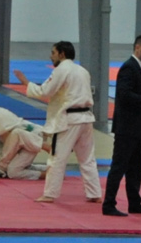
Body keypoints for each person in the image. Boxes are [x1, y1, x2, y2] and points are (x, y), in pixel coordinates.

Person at [10, 39, 101, 205]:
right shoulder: (83, 71)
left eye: (53, 53)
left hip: (70, 120)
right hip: (86, 118)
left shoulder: (62, 69)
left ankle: (50, 194)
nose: (51, 57)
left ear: (62, 54)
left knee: (57, 158)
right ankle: (94, 193)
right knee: (87, 158)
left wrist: (26, 83)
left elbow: (45, 91)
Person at [105, 32, 141, 217]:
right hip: (126, 127)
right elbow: (123, 96)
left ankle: (134, 202)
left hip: (137, 127)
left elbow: (135, 97)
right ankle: (108, 204)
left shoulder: (139, 68)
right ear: (137, 48)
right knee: (119, 166)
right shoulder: (128, 68)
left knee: (136, 168)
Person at [0, 95, 48, 179]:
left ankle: (45, 147)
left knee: (15, 134)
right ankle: (49, 171)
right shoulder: (0, 110)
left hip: (30, 139)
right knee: (13, 171)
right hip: (29, 139)